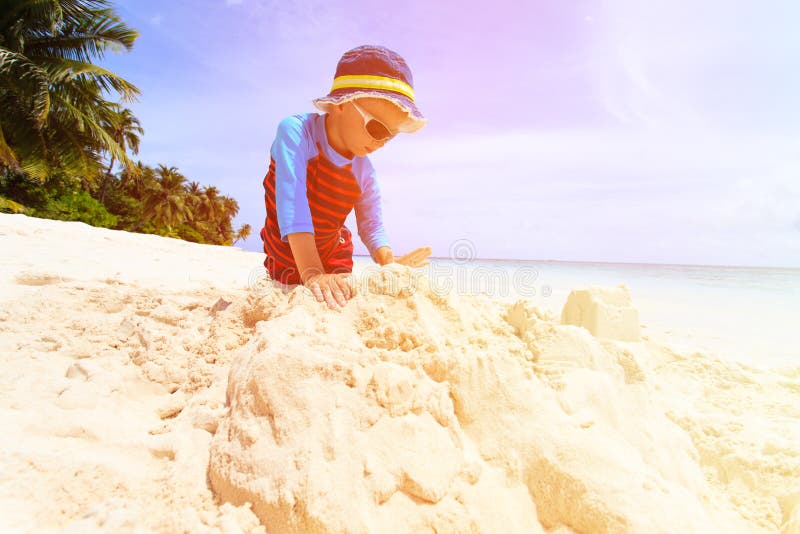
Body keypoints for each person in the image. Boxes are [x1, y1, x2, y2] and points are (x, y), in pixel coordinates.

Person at [259, 45, 431, 309]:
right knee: (295, 286)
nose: (383, 142)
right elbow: (292, 205)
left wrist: (389, 262)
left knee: (339, 302)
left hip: (335, 253)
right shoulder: (297, 133)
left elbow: (371, 226)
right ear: (342, 103)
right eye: (376, 128)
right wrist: (313, 273)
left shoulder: (364, 171)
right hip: (287, 252)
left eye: (391, 134)